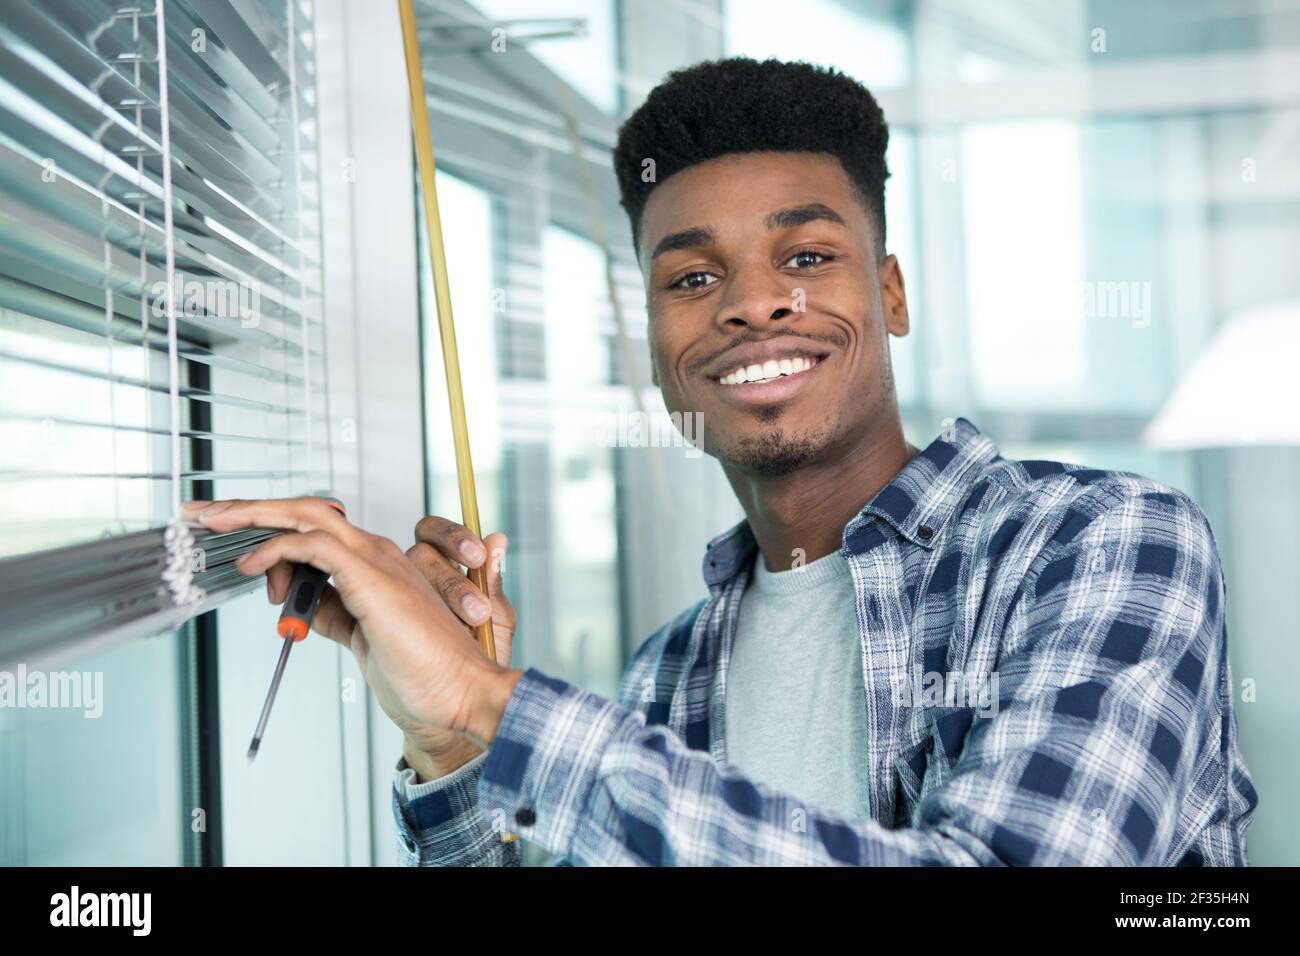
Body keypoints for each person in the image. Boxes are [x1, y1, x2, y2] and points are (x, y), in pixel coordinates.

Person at [184, 57, 1256, 866]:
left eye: (806, 256)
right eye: (691, 278)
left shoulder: (1104, 543)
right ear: (653, 341)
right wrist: (447, 740)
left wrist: (489, 703)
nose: (751, 301)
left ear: (888, 293)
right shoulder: (667, 672)